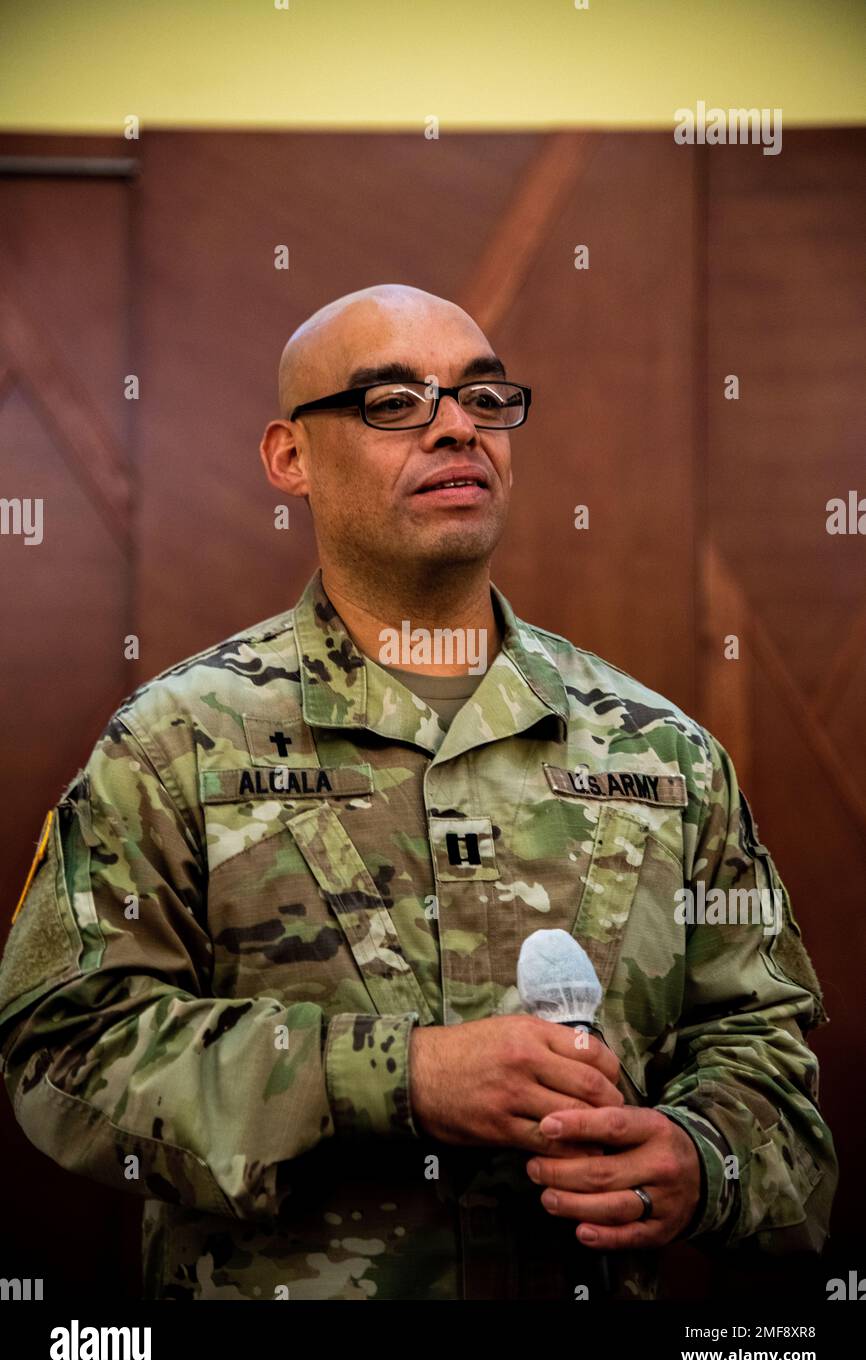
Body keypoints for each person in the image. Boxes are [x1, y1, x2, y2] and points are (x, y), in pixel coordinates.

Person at [0, 284, 836, 1301]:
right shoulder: (175, 742)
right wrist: (400, 1075)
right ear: (288, 458)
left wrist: (700, 1161)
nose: (454, 426)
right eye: (392, 401)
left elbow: (769, 1067)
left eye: (483, 398)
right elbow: (63, 1052)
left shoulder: (665, 753)